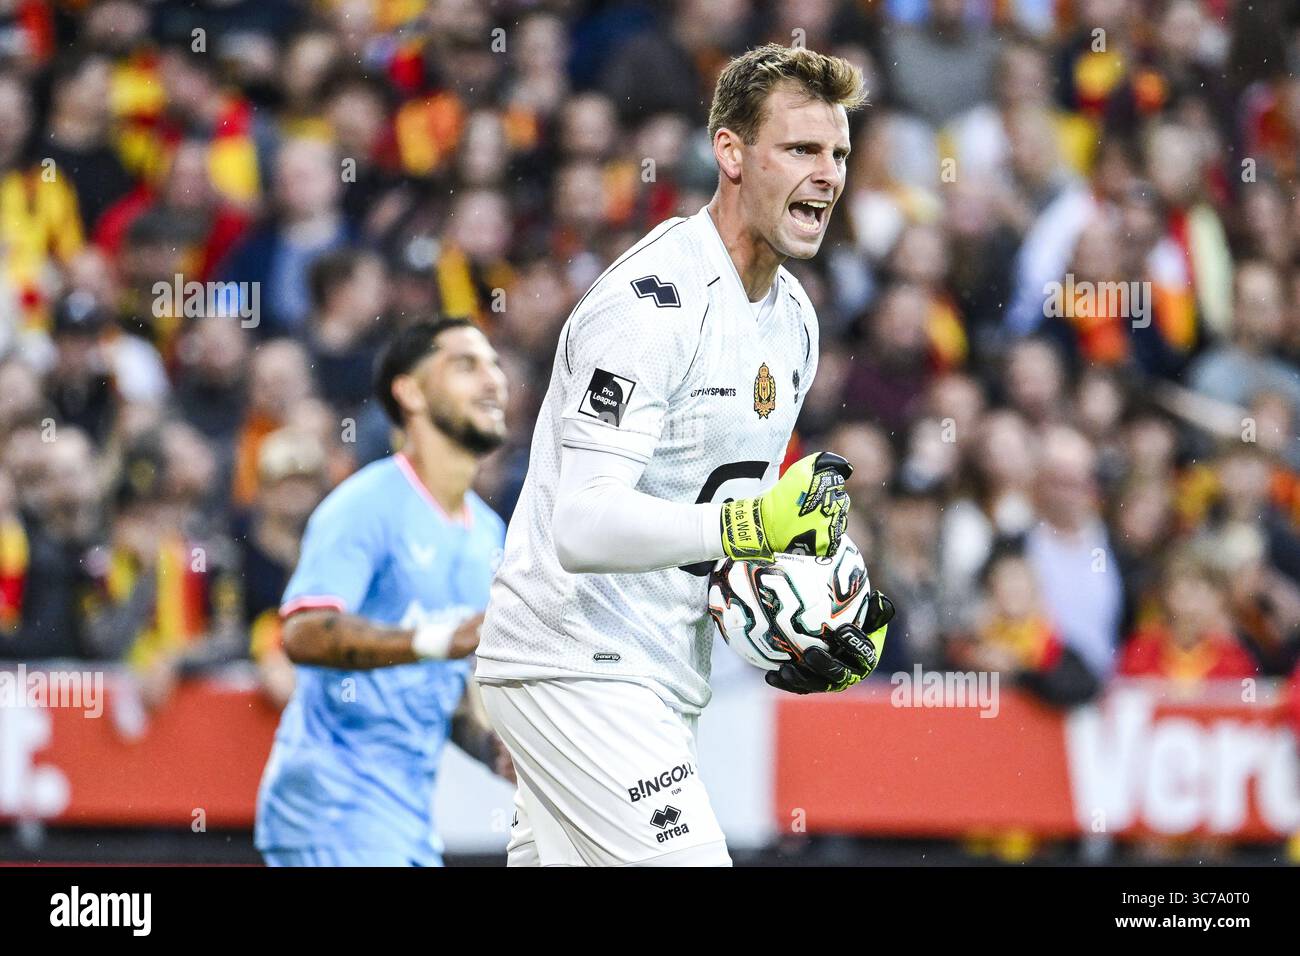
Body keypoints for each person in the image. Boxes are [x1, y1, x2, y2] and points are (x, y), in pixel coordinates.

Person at [476, 44, 896, 868]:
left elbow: (719, 536)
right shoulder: (650, 302)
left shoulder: (796, 324)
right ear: (731, 153)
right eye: (802, 149)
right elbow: (584, 525)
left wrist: (804, 605)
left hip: (662, 679)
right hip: (576, 661)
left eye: (838, 153)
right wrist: (748, 526)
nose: (828, 174)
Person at [254, 318, 513, 867]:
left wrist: (493, 748)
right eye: (466, 364)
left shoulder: (489, 533)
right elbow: (301, 633)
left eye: (494, 363)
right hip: (332, 809)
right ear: (411, 392)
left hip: (404, 820)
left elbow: (440, 692)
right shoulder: (364, 505)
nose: (494, 379)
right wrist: (439, 638)